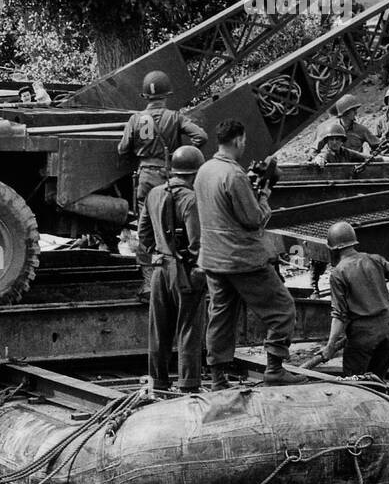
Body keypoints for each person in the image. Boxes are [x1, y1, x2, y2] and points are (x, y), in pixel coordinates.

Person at [197, 118, 297, 387]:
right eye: (245, 141)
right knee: (283, 309)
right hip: (242, 260)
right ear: (239, 140)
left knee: (220, 317)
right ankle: (275, 368)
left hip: (213, 260)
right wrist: (265, 193)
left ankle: (217, 379)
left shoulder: (204, 170)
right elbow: (253, 219)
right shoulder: (234, 175)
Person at [116, 70, 209, 294]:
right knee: (178, 221)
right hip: (170, 175)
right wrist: (185, 154)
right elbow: (201, 136)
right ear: (166, 95)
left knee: (145, 226)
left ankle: (149, 281)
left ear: (145, 96)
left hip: (146, 176)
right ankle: (183, 272)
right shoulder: (175, 117)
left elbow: (122, 149)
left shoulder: (135, 119)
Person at [138, 146, 208, 392]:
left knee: (159, 329)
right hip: (185, 272)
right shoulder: (190, 198)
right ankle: (188, 384)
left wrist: (158, 252)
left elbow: (143, 234)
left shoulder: (154, 193)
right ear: (195, 173)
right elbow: (196, 242)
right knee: (189, 328)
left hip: (159, 269)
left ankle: (158, 382)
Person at [320, 221, 389, 377]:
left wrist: (330, 346)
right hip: (388, 330)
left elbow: (339, 316)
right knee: (378, 380)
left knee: (356, 385)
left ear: (333, 249)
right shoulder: (375, 259)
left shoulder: (338, 273)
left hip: (363, 338)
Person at [311, 120, 375, 167]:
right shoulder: (326, 154)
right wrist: (319, 159)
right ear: (327, 141)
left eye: (337, 139)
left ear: (342, 141)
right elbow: (320, 157)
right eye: (331, 139)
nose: (334, 142)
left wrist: (382, 158)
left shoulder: (346, 152)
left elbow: (365, 157)